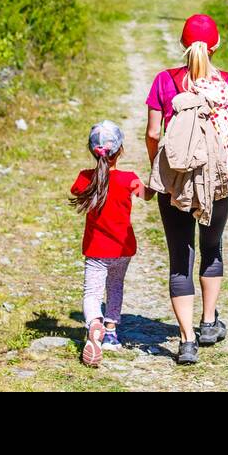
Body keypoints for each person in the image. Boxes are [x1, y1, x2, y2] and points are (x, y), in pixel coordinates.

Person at [146, 14, 228, 366]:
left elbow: (152, 134)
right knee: (212, 248)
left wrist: (157, 170)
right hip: (217, 182)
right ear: (216, 45)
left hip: (175, 180)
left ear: (183, 45)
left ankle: (186, 341)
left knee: (180, 258)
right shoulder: (227, 83)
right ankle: (209, 323)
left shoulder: (165, 81)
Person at [70, 120, 151, 367]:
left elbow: (74, 191)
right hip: (122, 249)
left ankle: (94, 323)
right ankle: (111, 332)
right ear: (121, 150)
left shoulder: (85, 179)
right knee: (115, 287)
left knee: (92, 292)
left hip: (96, 250)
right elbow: (147, 194)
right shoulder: (128, 179)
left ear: (92, 150)